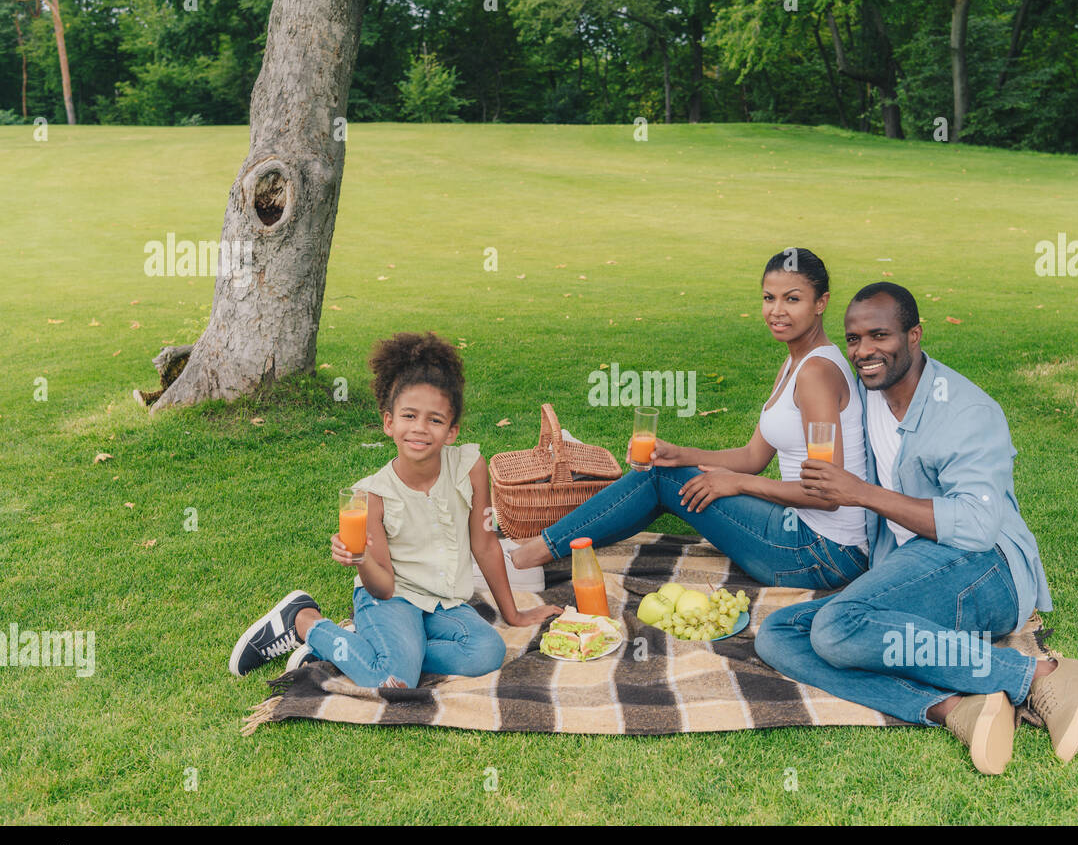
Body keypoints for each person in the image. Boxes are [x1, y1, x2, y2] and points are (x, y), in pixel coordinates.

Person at [755, 282, 1078, 775]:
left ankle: (1040, 675)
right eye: (854, 340)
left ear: (914, 335)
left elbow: (978, 527)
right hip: (916, 576)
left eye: (880, 335)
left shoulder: (967, 411)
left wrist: (860, 492)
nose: (864, 351)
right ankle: (956, 708)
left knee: (834, 628)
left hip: (987, 571)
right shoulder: (868, 394)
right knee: (778, 634)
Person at [509, 248, 870, 591]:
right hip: (810, 540)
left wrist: (737, 484)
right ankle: (547, 546)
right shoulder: (796, 363)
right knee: (664, 472)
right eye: (768, 298)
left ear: (821, 303)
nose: (776, 310)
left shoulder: (816, 374)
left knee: (660, 477)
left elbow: (827, 494)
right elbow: (752, 458)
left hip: (821, 555)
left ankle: (528, 558)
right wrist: (681, 454)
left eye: (792, 299)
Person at [229, 332, 562, 688]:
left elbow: (485, 544)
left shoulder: (470, 467)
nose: (420, 428)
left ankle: (361, 646)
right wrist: (360, 558)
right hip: (389, 600)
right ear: (389, 423)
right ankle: (304, 622)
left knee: (487, 652)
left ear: (452, 431)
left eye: (435, 420)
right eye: (409, 415)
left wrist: (512, 614)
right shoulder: (372, 496)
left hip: (442, 604)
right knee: (393, 677)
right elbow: (383, 587)